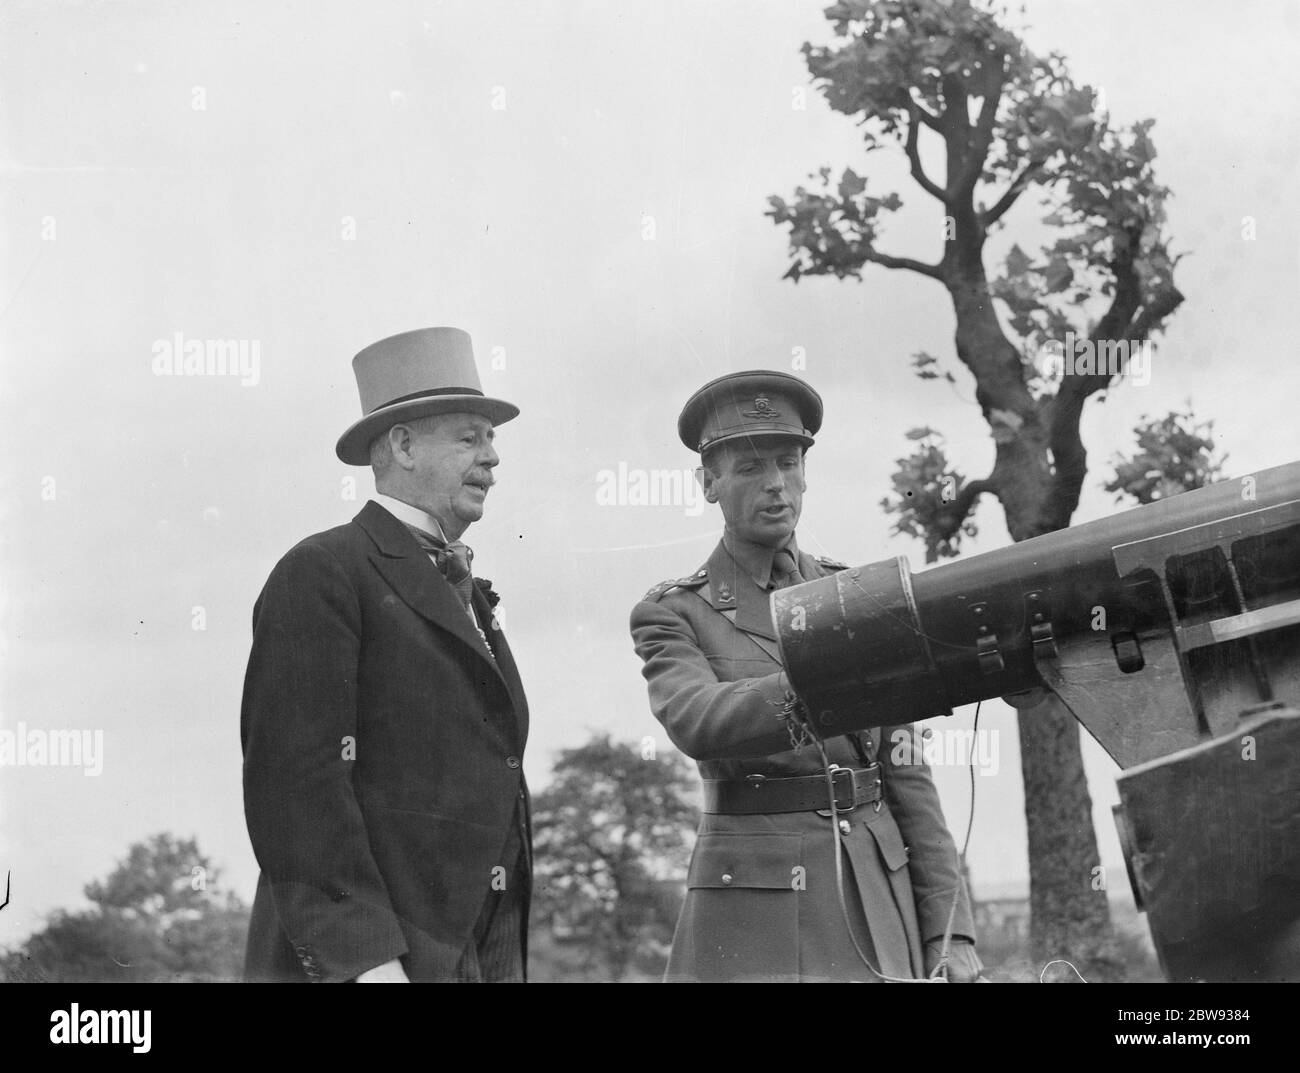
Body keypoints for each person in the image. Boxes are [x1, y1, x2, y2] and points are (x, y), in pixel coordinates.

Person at [629, 370, 982, 982]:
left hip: (878, 888)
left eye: (789, 464)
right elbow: (696, 721)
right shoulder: (674, 612)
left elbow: (908, 775)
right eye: (750, 468)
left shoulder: (860, 598)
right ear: (708, 482)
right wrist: (832, 679)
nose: (776, 485)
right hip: (756, 907)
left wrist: (950, 929)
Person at [241, 327, 531, 982]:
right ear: (401, 443)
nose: (491, 458)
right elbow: (297, 790)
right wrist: (369, 962)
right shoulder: (323, 571)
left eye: (491, 439)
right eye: (469, 436)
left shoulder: (468, 594)